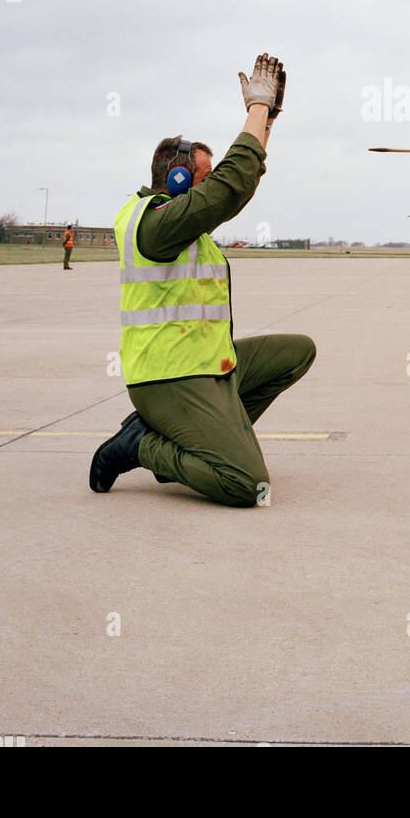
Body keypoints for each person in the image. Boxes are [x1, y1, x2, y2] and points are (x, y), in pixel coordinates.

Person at [90, 53, 316, 507]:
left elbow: (236, 187)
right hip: (170, 377)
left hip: (204, 362)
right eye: (203, 178)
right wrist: (255, 109)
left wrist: (266, 122)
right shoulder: (156, 224)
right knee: (247, 485)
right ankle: (143, 445)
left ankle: (204, 438)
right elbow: (231, 185)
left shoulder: (183, 222)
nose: (210, 186)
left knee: (297, 352)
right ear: (175, 179)